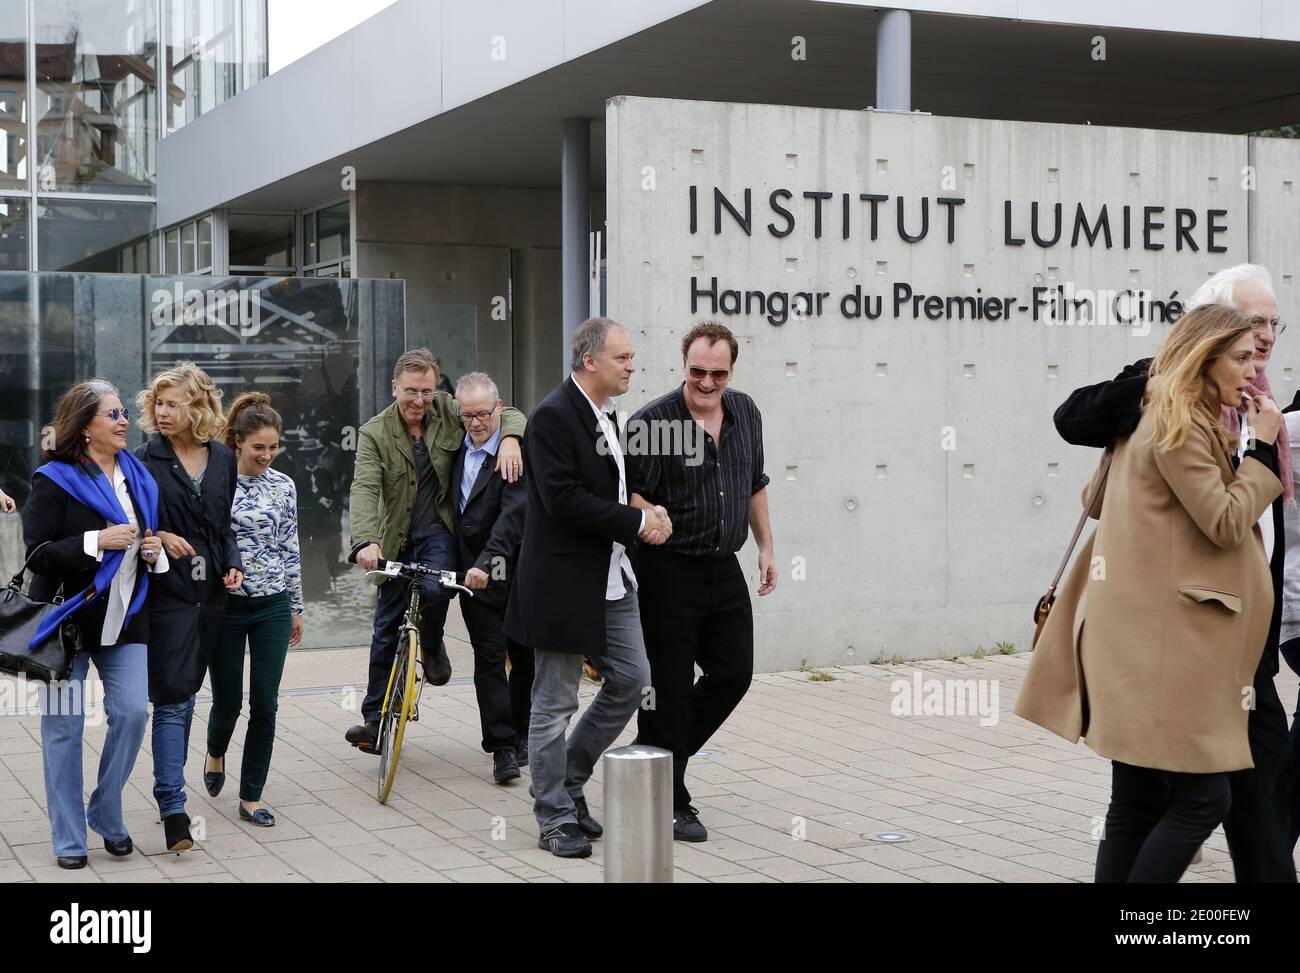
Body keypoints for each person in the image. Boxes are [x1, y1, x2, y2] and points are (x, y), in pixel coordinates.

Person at [1017, 304, 1283, 883]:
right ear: (1204, 358)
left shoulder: (1151, 415)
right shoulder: (1181, 423)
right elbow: (1225, 520)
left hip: (1141, 639)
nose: (1252, 370)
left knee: (1135, 804)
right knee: (1203, 801)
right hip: (1168, 648)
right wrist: (1262, 452)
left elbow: (1094, 497)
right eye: (1239, 358)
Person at [504, 317, 672, 859]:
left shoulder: (606, 412)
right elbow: (563, 500)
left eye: (631, 357)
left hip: (613, 578)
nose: (632, 366)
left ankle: (569, 779)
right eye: (622, 357)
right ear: (589, 360)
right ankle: (552, 815)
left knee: (632, 680)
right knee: (554, 702)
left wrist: (643, 510)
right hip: (563, 584)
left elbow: (613, 489)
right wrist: (634, 521)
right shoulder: (553, 417)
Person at [627, 321, 776, 842]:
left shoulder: (747, 413)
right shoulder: (652, 422)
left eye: (718, 373)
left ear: (731, 371)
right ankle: (671, 798)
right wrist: (651, 512)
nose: (707, 383)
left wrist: (766, 549)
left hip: (722, 565)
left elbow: (753, 482)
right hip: (667, 569)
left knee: (734, 673)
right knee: (667, 689)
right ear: (682, 366)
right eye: (697, 372)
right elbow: (630, 497)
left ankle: (651, 763)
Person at [344, 349, 526, 752]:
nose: (419, 400)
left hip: (439, 532)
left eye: (426, 391)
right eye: (411, 391)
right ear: (395, 388)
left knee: (435, 588)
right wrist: (364, 541)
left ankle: (430, 640)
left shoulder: (448, 409)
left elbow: (505, 410)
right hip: (393, 539)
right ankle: (373, 720)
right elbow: (365, 488)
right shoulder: (375, 432)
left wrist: (512, 439)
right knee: (384, 629)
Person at [23, 381, 167, 868]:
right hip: (66, 627)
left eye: (124, 412)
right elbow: (38, 556)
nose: (124, 419)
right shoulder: (53, 478)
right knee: (63, 730)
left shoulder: (139, 476)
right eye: (112, 414)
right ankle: (69, 838)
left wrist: (153, 551)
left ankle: (105, 811)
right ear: (85, 426)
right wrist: (95, 541)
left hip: (126, 618)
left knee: (131, 715)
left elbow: (148, 538)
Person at [134, 363, 243, 853]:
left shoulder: (222, 459)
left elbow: (223, 527)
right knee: (174, 699)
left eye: (173, 403)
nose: (162, 412)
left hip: (214, 596)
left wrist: (234, 563)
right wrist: (158, 536)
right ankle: (173, 807)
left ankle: (195, 778)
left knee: (204, 697)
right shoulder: (142, 460)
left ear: (198, 407)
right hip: (167, 597)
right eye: (158, 403)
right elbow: (129, 525)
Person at [203, 393, 304, 828]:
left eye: (273, 447)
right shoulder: (214, 482)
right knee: (227, 701)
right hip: (225, 608)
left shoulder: (284, 485)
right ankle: (214, 752)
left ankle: (250, 797)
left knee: (266, 702)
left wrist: (296, 607)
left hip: (272, 607)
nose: (266, 455)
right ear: (238, 442)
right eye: (258, 447)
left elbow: (290, 548)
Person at [450, 372, 528, 783]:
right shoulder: (453, 447)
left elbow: (513, 515)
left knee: (525, 655)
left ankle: (524, 731)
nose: (476, 422)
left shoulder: (515, 453)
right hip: (471, 577)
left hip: (511, 570)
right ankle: (501, 748)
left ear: (499, 408)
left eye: (483, 413)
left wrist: (487, 561)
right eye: (468, 416)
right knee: (489, 659)